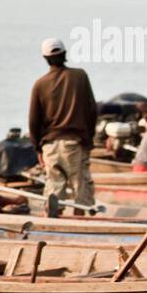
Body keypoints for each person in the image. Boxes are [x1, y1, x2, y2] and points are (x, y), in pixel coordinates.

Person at [29, 37, 98, 214]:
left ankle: (54, 224)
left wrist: (38, 148)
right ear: (65, 54)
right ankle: (81, 223)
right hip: (74, 143)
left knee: (54, 188)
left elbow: (34, 121)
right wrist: (88, 139)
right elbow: (91, 110)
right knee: (81, 189)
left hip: (50, 146)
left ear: (45, 58)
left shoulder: (40, 84)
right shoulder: (80, 76)